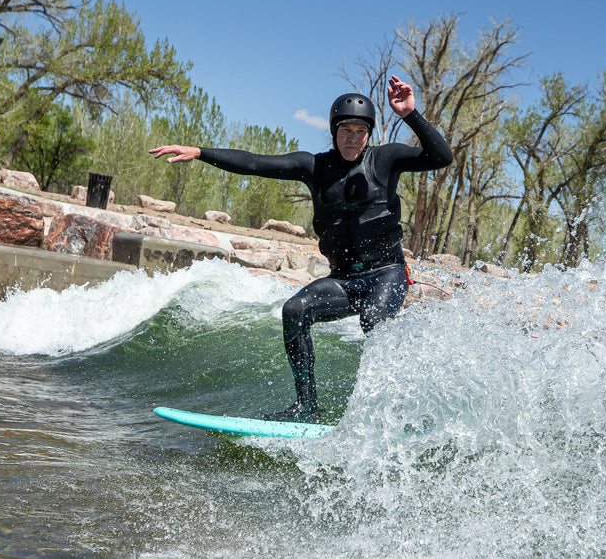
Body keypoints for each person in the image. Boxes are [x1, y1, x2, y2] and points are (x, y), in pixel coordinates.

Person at [150, 76, 452, 422]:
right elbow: (254, 162)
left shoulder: (386, 159)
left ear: (369, 134)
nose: (352, 139)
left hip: (388, 273)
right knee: (295, 310)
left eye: (360, 131)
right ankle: (307, 406)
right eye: (345, 131)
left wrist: (410, 114)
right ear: (333, 131)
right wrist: (200, 153)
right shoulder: (315, 166)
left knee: (374, 319)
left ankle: (391, 412)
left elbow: (442, 157)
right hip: (344, 279)